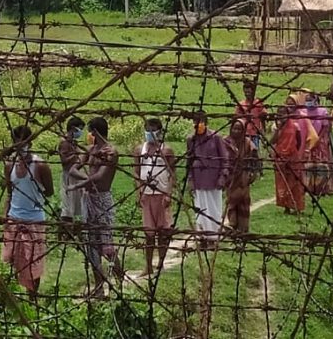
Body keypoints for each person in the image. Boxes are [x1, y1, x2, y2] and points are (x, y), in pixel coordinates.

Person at [1, 124, 54, 298]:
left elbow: (49, 191)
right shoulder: (9, 166)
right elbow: (10, 193)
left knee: (33, 263)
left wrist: (35, 196)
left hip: (34, 220)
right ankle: (13, 296)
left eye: (23, 142)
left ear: (30, 143)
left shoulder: (40, 165)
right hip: (14, 218)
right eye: (17, 142)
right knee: (12, 259)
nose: (20, 146)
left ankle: (33, 296)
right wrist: (4, 216)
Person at [72, 117, 123, 297]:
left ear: (96, 132)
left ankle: (119, 282)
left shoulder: (111, 152)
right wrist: (85, 181)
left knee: (107, 246)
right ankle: (99, 287)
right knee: (91, 245)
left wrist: (80, 183)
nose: (88, 135)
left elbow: (101, 176)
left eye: (90, 131)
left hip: (102, 200)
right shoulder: (91, 150)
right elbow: (73, 169)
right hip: (88, 199)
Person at [133, 118, 176, 276]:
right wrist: (139, 191)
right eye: (147, 130)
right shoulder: (139, 150)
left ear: (159, 132)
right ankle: (148, 266)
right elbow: (136, 172)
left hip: (161, 194)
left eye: (152, 131)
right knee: (148, 232)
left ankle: (161, 263)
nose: (149, 134)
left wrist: (169, 194)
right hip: (147, 195)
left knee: (162, 232)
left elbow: (172, 174)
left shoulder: (166, 151)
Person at [186, 113, 229, 250]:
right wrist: (190, 180)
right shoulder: (191, 140)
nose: (198, 124)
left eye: (200, 121)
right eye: (195, 121)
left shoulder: (215, 137)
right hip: (198, 178)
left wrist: (223, 176)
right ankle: (202, 237)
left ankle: (213, 238)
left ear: (206, 122)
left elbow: (225, 159)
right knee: (200, 209)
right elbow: (189, 160)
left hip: (213, 179)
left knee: (213, 209)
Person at [271, 95, 308, 215]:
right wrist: (278, 129)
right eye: (279, 113)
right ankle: (285, 206)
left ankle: (296, 206)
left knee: (294, 182)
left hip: (292, 158)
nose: (282, 115)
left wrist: (293, 154)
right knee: (282, 182)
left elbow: (299, 141)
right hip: (280, 157)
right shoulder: (275, 126)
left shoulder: (295, 125)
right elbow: (272, 141)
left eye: (284, 113)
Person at [224, 119, 258, 234]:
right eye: (234, 128)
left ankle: (243, 227)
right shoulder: (226, 142)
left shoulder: (247, 143)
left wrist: (254, 172)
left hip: (243, 176)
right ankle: (232, 224)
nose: (236, 131)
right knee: (231, 200)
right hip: (230, 176)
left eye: (239, 129)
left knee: (243, 200)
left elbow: (255, 157)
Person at [304, 91, 333, 196]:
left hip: (320, 142)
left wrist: (318, 139)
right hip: (308, 141)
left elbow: (326, 126)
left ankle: (322, 188)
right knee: (308, 165)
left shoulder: (322, 112)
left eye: (310, 100)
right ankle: (309, 188)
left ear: (315, 100)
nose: (308, 103)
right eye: (306, 101)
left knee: (321, 165)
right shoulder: (303, 112)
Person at [58, 116, 85, 229]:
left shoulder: (73, 142)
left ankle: (73, 228)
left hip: (75, 174)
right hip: (68, 175)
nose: (81, 132)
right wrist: (77, 155)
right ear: (73, 129)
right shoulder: (64, 143)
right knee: (68, 205)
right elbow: (64, 160)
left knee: (76, 203)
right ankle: (66, 230)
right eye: (80, 129)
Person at [235, 80, 267, 149]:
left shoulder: (258, 103)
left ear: (253, 92)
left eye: (249, 92)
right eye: (245, 92)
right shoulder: (241, 104)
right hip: (244, 133)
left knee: (254, 153)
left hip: (254, 134)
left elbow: (263, 118)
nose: (247, 94)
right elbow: (236, 119)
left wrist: (263, 132)